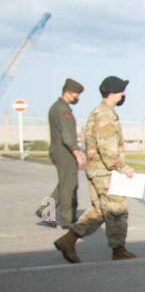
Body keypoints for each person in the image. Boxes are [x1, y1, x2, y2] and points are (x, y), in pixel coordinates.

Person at [54, 76, 136, 263]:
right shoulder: (105, 114)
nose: (124, 94)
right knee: (117, 209)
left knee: (99, 211)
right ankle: (119, 250)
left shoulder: (99, 112)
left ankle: (68, 240)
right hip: (105, 171)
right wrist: (123, 168)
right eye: (121, 91)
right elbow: (107, 148)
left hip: (96, 169)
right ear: (113, 93)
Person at [37, 78, 85, 228]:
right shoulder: (63, 110)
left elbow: (64, 132)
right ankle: (67, 220)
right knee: (69, 186)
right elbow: (67, 136)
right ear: (68, 92)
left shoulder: (56, 107)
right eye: (76, 94)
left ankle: (45, 210)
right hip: (64, 152)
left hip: (59, 149)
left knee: (65, 183)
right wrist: (78, 155)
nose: (78, 97)